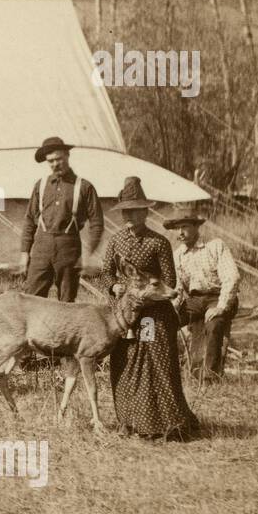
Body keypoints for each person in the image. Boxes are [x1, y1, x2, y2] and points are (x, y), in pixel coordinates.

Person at [101, 177, 198, 439]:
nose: (129, 216)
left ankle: (163, 426)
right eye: (125, 211)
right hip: (124, 316)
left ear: (145, 212)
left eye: (135, 210)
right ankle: (129, 422)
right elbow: (105, 274)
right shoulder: (115, 241)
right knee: (126, 362)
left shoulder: (158, 242)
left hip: (152, 316)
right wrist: (114, 288)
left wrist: (145, 293)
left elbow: (171, 281)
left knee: (154, 363)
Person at [20, 135, 104, 302]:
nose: (55, 164)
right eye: (50, 161)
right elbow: (30, 220)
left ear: (67, 155)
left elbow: (97, 223)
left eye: (58, 159)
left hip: (69, 249)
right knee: (31, 299)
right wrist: (24, 253)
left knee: (66, 302)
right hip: (41, 248)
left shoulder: (84, 186)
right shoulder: (40, 185)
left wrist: (87, 255)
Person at [165, 210, 240, 381]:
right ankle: (171, 371)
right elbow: (177, 289)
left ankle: (210, 377)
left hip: (218, 296)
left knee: (213, 325)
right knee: (166, 321)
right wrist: (174, 310)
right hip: (195, 300)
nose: (180, 232)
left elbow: (231, 277)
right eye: (177, 228)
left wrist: (221, 306)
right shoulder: (178, 255)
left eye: (184, 227)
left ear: (196, 227)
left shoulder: (215, 245)